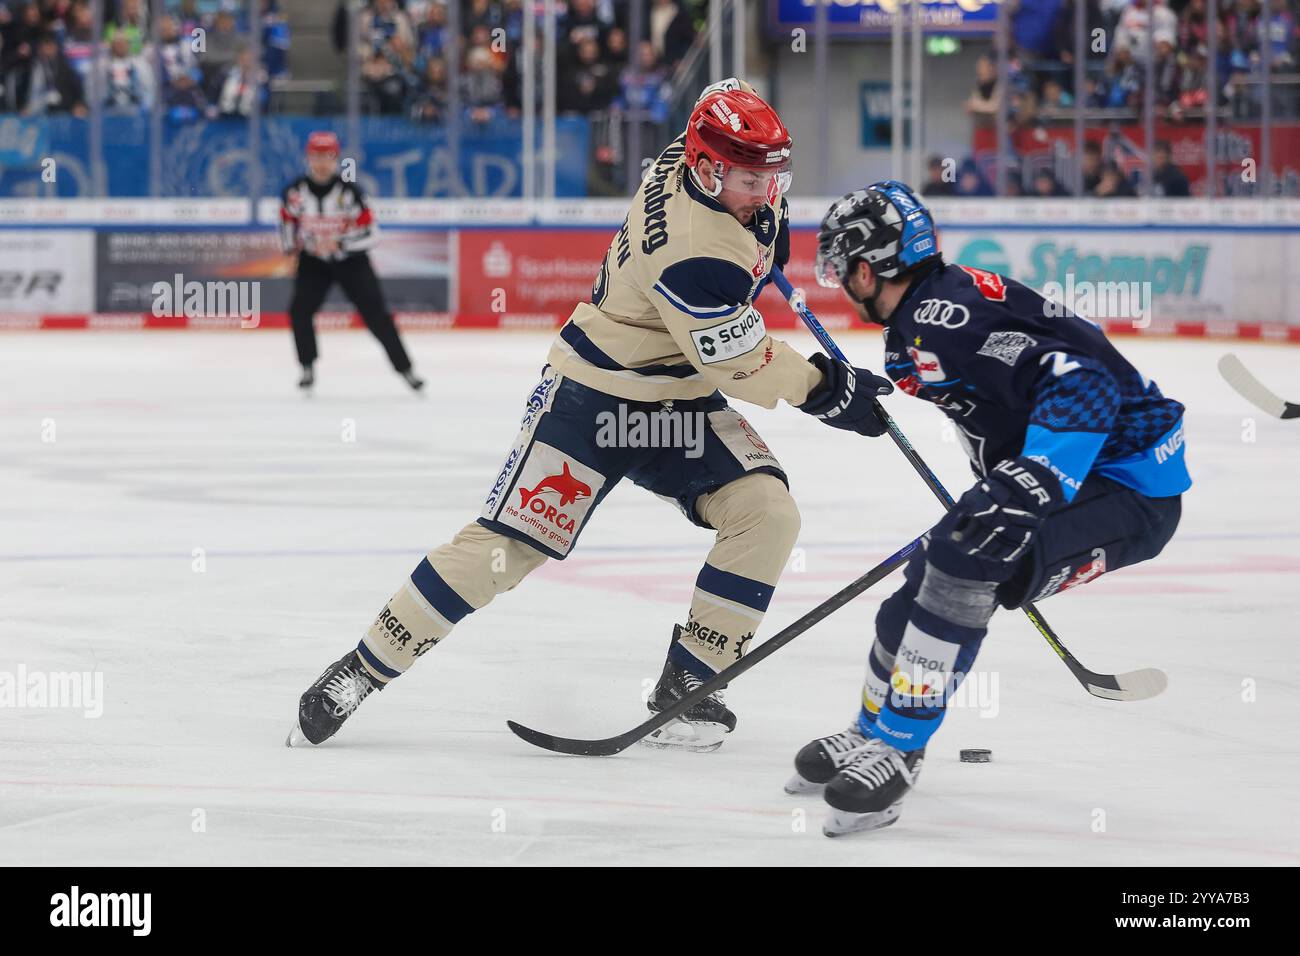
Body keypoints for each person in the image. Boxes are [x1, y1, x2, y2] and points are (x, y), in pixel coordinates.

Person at [286, 80, 894, 752]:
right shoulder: (693, 254)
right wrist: (826, 390)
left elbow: (722, 102)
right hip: (595, 399)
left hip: (677, 403)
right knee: (504, 550)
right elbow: (741, 360)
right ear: (708, 168)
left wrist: (759, 211)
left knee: (768, 513)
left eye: (772, 177)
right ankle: (363, 668)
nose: (766, 193)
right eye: (751, 179)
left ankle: (691, 683)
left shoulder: (688, 161)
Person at [790, 182, 1190, 836]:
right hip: (1080, 474)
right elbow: (1005, 393)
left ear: (867, 266)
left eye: (843, 263)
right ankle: (872, 729)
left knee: (960, 563)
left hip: (1130, 490)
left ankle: (900, 746)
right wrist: (855, 401)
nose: (841, 279)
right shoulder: (931, 311)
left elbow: (1082, 383)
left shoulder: (937, 320)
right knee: (919, 583)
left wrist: (1032, 482)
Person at [279, 131, 424, 392]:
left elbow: (373, 234)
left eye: (328, 157)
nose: (322, 163)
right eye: (316, 156)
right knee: (299, 311)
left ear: (337, 159)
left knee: (377, 315)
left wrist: (342, 243)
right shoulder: (294, 192)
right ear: (308, 157)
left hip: (351, 263)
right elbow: (287, 222)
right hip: (314, 262)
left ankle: (406, 370)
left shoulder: (350, 193)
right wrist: (291, 250)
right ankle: (307, 367)